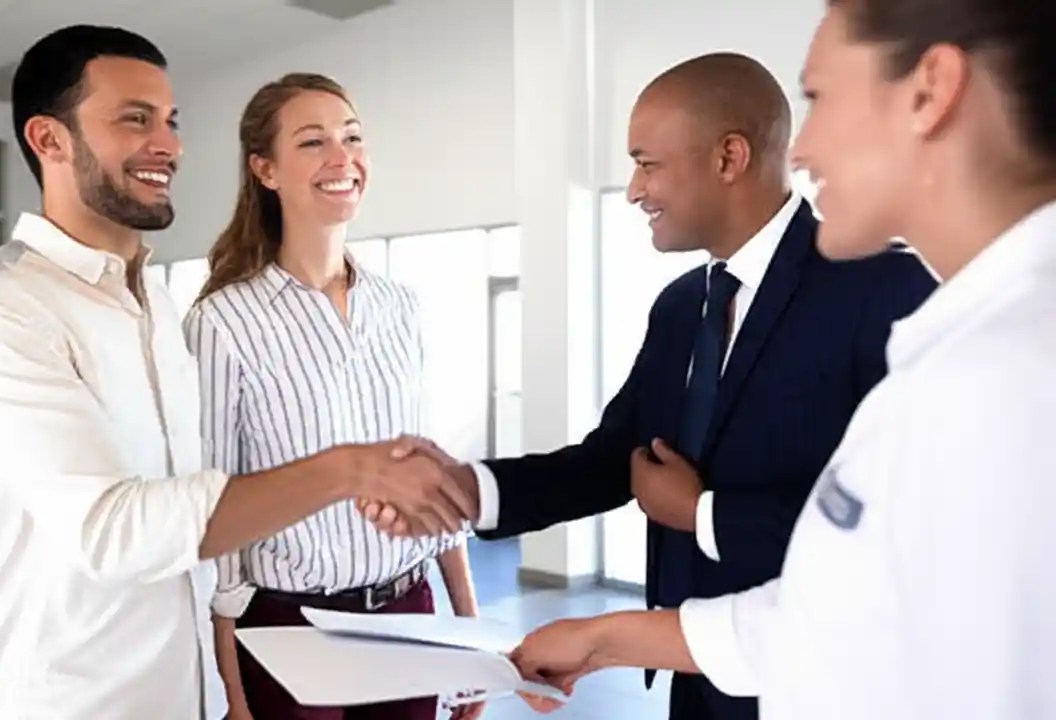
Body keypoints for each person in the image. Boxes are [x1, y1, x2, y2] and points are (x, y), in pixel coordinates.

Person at [509, 0, 1056, 717]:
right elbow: (845, 608)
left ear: (929, 90)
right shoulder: (965, 349)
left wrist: (697, 518)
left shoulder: (1011, 368)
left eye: (821, 98)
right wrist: (608, 638)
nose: (799, 149)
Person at [367, 51, 936, 720]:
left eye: (647, 163)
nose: (635, 190)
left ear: (728, 158)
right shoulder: (679, 305)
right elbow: (617, 462)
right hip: (689, 678)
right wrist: (469, 491)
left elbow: (912, 522)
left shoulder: (882, 288)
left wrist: (704, 515)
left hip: (822, 685)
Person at [0, 28, 472, 720]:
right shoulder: (1, 306)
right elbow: (110, 530)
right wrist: (345, 471)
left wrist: (221, 687)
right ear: (49, 139)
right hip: (72, 702)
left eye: (171, 121)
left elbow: (194, 506)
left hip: (182, 694)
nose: (170, 144)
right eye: (135, 119)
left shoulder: (149, 300)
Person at [184, 72, 484, 720]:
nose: (342, 158)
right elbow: (216, 517)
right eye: (313, 142)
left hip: (410, 616)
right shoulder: (222, 322)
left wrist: (469, 633)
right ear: (265, 170)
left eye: (352, 137)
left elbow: (426, 481)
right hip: (289, 630)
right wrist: (231, 692)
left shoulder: (401, 309)